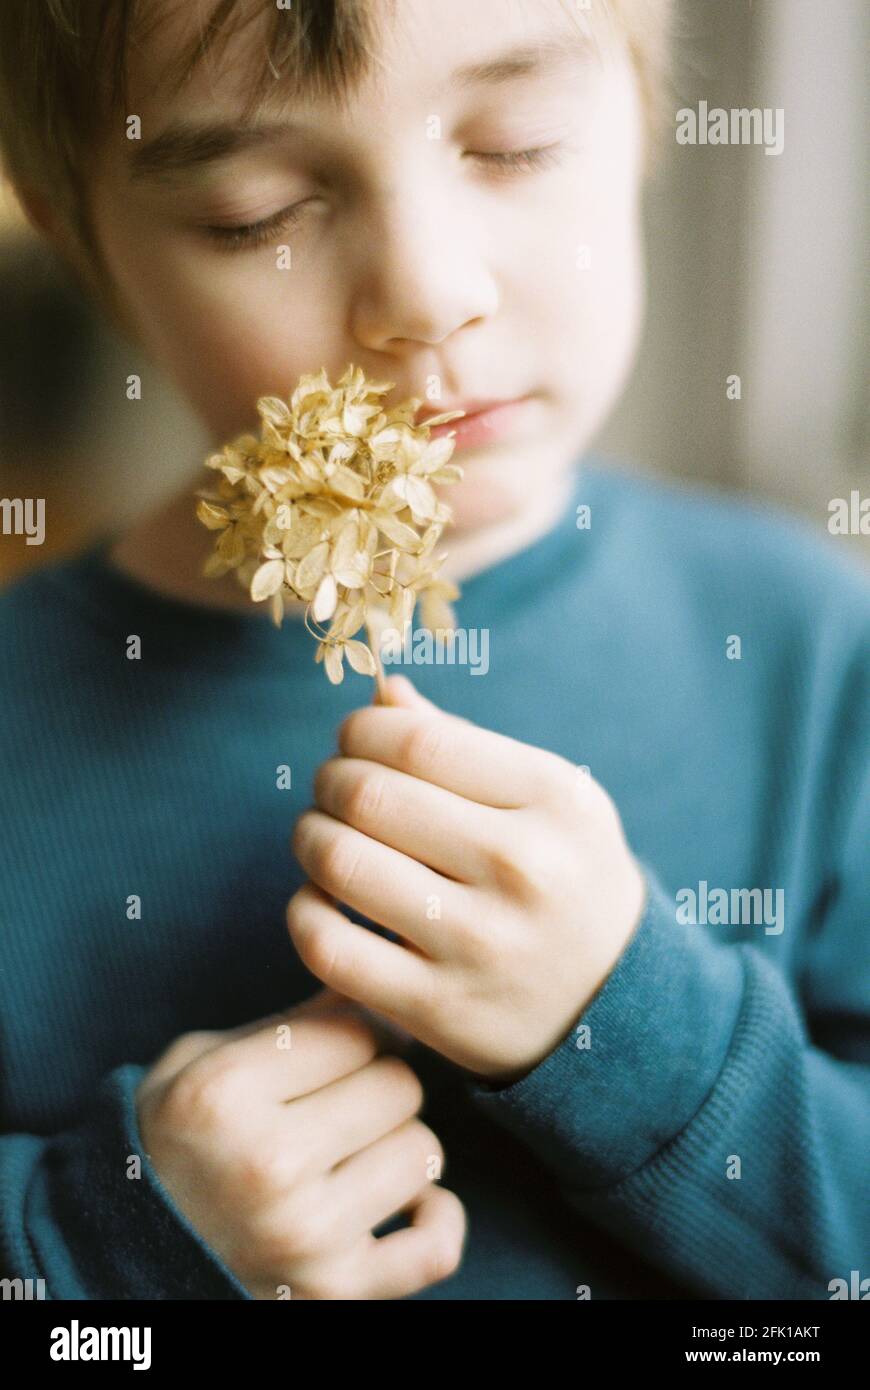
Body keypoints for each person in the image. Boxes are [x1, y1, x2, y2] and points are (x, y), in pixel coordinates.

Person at [0, 0, 866, 1301]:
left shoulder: (805, 646)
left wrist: (632, 1032)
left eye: (514, 144)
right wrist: (99, 1242)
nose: (426, 294)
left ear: (636, 119)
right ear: (88, 245)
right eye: (254, 212)